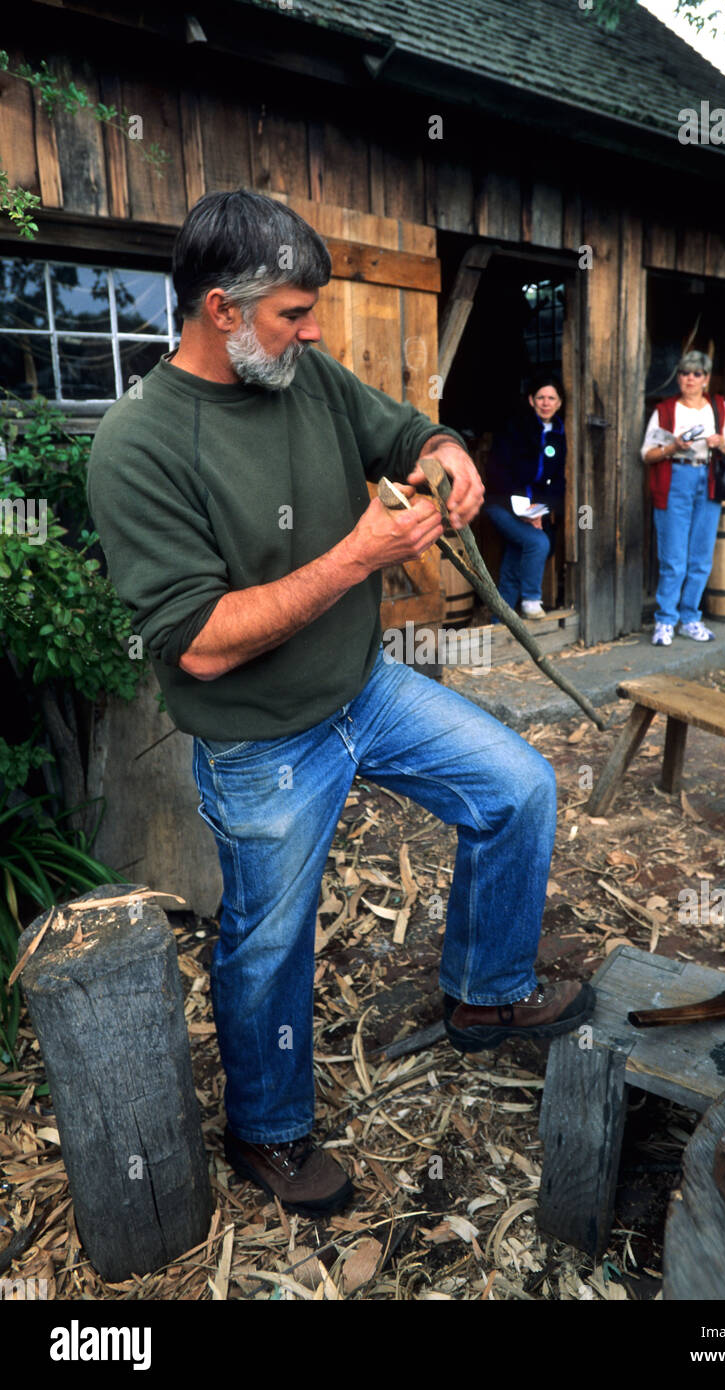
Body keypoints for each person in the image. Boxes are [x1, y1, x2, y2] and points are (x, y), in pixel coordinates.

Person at [86, 191, 593, 1218]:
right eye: (293, 313)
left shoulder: (303, 376)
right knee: (269, 943)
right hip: (261, 740)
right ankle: (267, 1132)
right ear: (221, 309)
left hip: (364, 686)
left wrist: (445, 457)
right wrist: (360, 551)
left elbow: (404, 427)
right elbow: (202, 643)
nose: (315, 331)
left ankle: (482, 993)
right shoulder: (138, 446)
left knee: (518, 788)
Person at [641, 350, 725, 646]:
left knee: (700, 555)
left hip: (708, 480)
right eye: (685, 373)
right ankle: (665, 620)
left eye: (697, 374)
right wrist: (673, 447)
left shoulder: (719, 406)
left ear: (706, 379)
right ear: (678, 377)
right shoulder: (666, 409)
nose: (690, 379)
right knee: (673, 557)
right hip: (675, 479)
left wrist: (720, 442)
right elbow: (646, 454)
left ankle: (690, 618)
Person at [483, 375, 566, 618]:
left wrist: (541, 511)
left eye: (551, 398)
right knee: (537, 543)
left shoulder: (558, 435)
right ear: (531, 400)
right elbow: (497, 472)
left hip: (535, 511)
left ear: (559, 403)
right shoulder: (514, 428)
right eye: (540, 397)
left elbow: (558, 481)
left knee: (512, 565)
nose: (546, 403)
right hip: (501, 504)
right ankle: (531, 600)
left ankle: (499, 622)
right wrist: (522, 509)